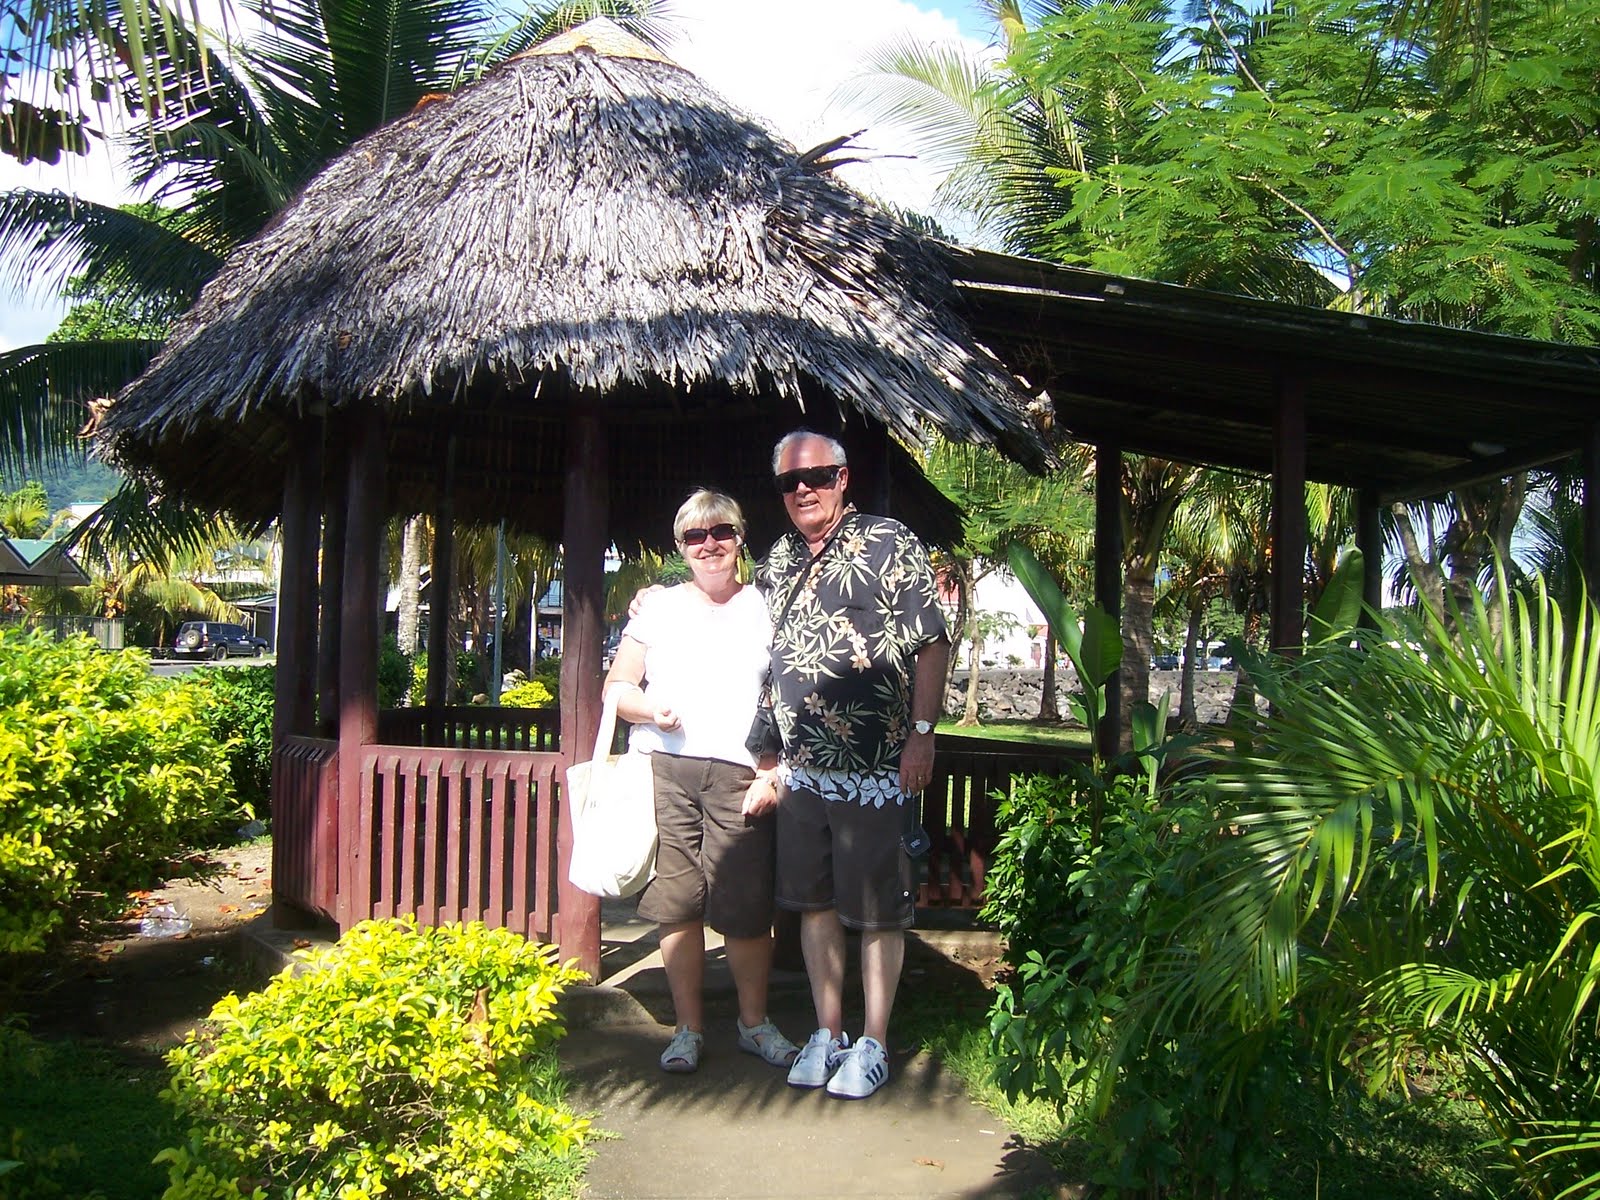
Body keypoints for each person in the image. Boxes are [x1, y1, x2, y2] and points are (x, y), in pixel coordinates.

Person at [760, 430, 950, 1101]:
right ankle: (829, 1030)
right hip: (803, 768)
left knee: (877, 911)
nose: (803, 490)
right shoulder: (777, 560)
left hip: (877, 765)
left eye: (815, 476)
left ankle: (874, 1040)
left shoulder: (889, 541)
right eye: (789, 481)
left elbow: (931, 640)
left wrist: (922, 735)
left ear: (843, 478)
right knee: (812, 905)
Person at [604, 488, 800, 1075]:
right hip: (665, 771)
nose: (710, 545)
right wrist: (649, 710)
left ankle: (754, 1023)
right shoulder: (657, 608)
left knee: (744, 907)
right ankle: (687, 1029)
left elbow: (790, 699)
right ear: (680, 547)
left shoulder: (767, 608)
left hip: (742, 775)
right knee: (677, 904)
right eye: (695, 536)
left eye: (722, 533)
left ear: (741, 540)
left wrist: (775, 772)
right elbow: (616, 688)